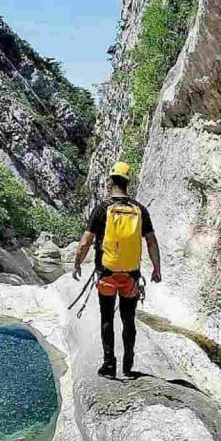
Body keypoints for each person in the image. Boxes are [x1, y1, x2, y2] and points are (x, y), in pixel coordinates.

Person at [72, 162, 161, 378]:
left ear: (111, 182)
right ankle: (128, 366)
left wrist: (76, 263)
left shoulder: (102, 209)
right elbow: (151, 242)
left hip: (107, 275)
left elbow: (85, 242)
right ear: (128, 183)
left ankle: (109, 365)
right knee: (128, 320)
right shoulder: (140, 210)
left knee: (106, 319)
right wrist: (157, 268)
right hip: (131, 276)